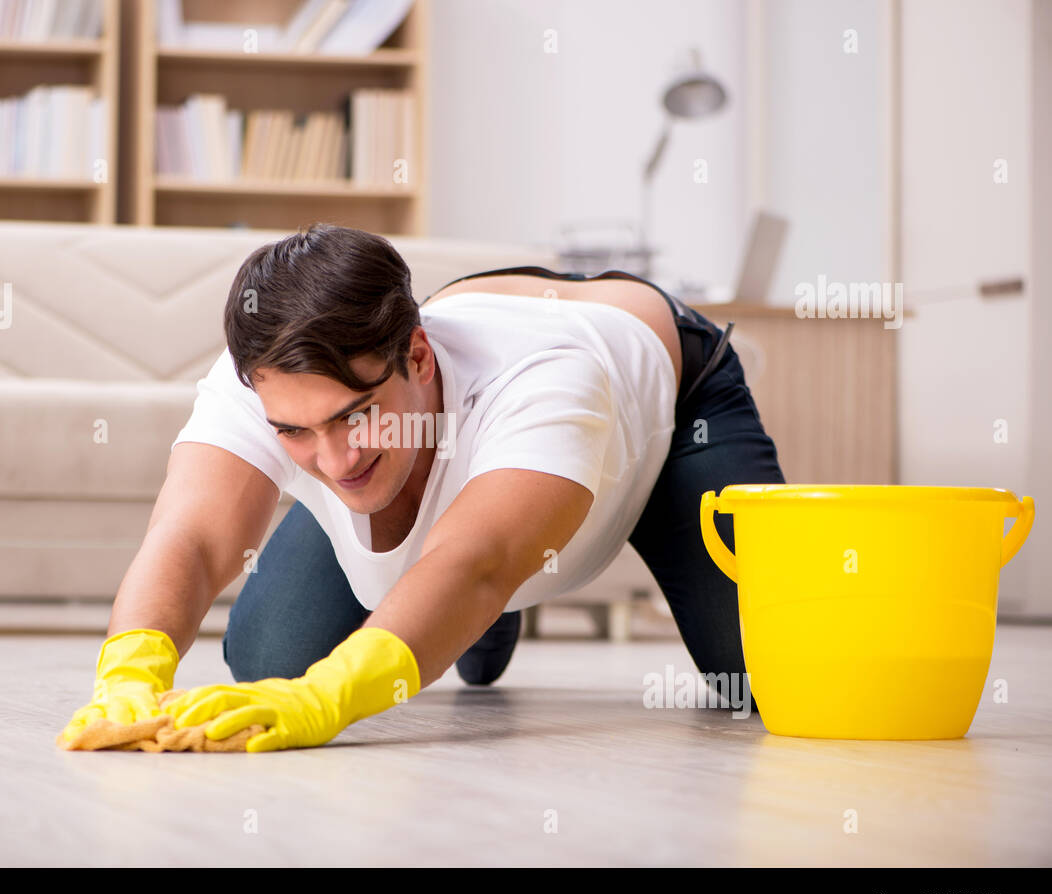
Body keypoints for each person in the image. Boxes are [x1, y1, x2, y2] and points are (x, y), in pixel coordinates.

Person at [57, 223, 785, 752]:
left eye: (355, 416)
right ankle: (473, 595)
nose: (336, 460)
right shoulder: (273, 366)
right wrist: (130, 668)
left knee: (758, 677)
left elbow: (477, 562)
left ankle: (488, 580)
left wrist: (328, 698)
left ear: (418, 356)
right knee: (269, 660)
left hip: (672, 398)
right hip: (478, 436)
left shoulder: (547, 385)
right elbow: (191, 534)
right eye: (295, 432)